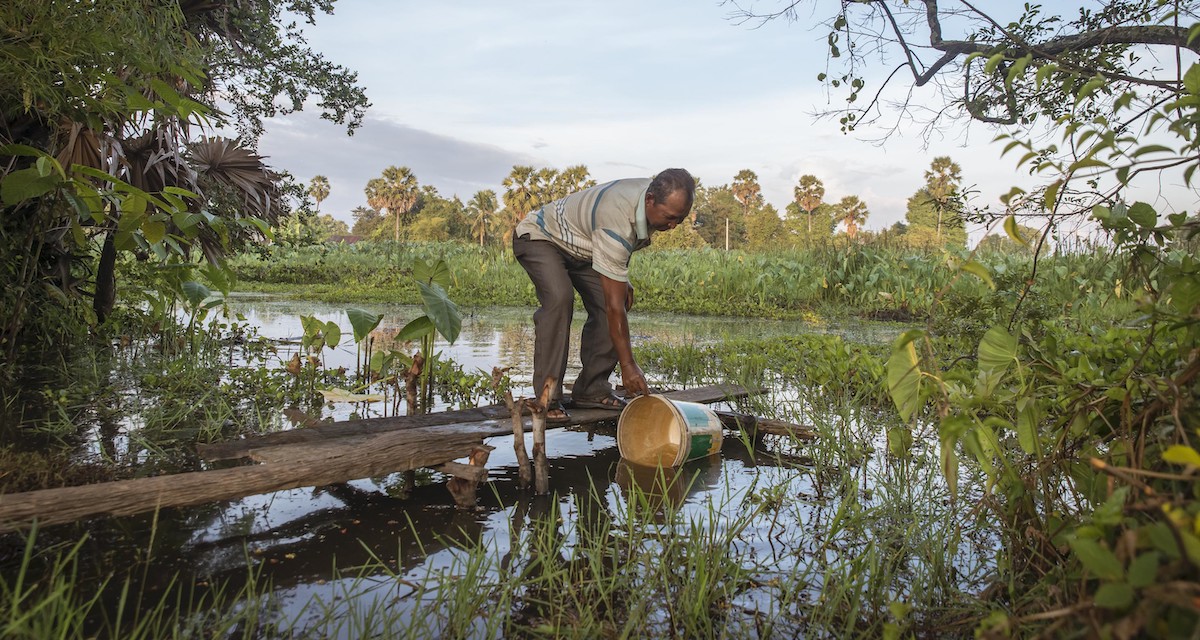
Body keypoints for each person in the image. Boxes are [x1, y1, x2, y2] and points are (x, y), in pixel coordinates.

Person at [513, 168, 695, 423]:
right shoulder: (618, 212)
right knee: (559, 298)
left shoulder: (653, 197)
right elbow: (613, 308)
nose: (673, 225)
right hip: (542, 237)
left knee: (617, 299)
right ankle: (547, 396)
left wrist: (622, 280)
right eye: (669, 217)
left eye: (681, 219)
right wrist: (628, 366)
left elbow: (618, 251)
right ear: (650, 200)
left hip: (584, 249)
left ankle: (591, 389)